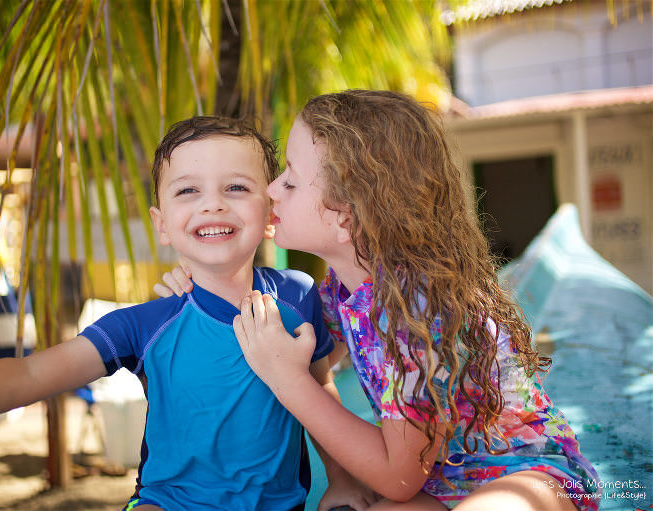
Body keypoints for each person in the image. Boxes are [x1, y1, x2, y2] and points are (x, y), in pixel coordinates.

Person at [0, 116, 365, 511]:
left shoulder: (297, 297)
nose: (213, 204)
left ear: (270, 213)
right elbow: (27, 376)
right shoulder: (144, 325)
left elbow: (319, 392)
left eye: (237, 187)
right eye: (187, 192)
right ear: (162, 224)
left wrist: (341, 479)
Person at [157, 91, 601, 511]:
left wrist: (287, 378)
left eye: (290, 180)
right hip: (442, 484)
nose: (271, 189)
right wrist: (199, 283)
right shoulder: (342, 292)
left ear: (345, 218)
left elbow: (397, 477)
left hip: (531, 475)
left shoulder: (418, 309)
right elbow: (275, 346)